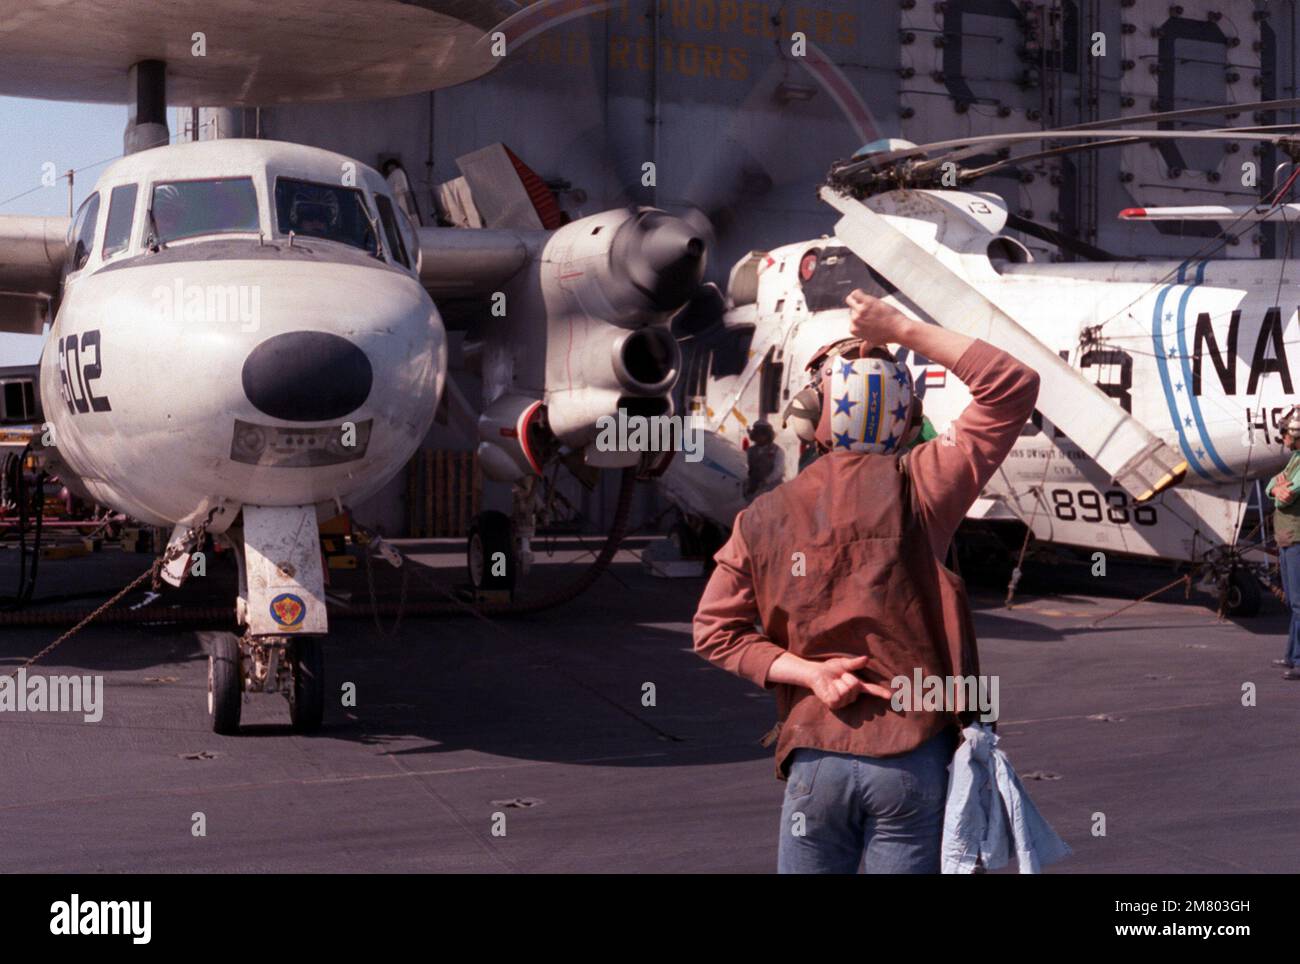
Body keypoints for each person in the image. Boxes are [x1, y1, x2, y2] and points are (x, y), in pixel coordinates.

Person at [692, 289, 1039, 873]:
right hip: (912, 757)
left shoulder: (763, 516)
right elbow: (1012, 384)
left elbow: (713, 632)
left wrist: (811, 674)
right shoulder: (926, 485)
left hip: (813, 762)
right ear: (905, 415)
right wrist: (901, 327)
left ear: (809, 416)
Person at [1269, 407, 1300, 678]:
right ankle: (1291, 656)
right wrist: (1275, 488)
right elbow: (1271, 486)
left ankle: (1299, 660)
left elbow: (1284, 497)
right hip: (1287, 540)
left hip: (1297, 540)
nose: (1283, 438)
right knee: (1292, 602)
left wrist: (1278, 491)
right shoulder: (1295, 461)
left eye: (1286, 434)